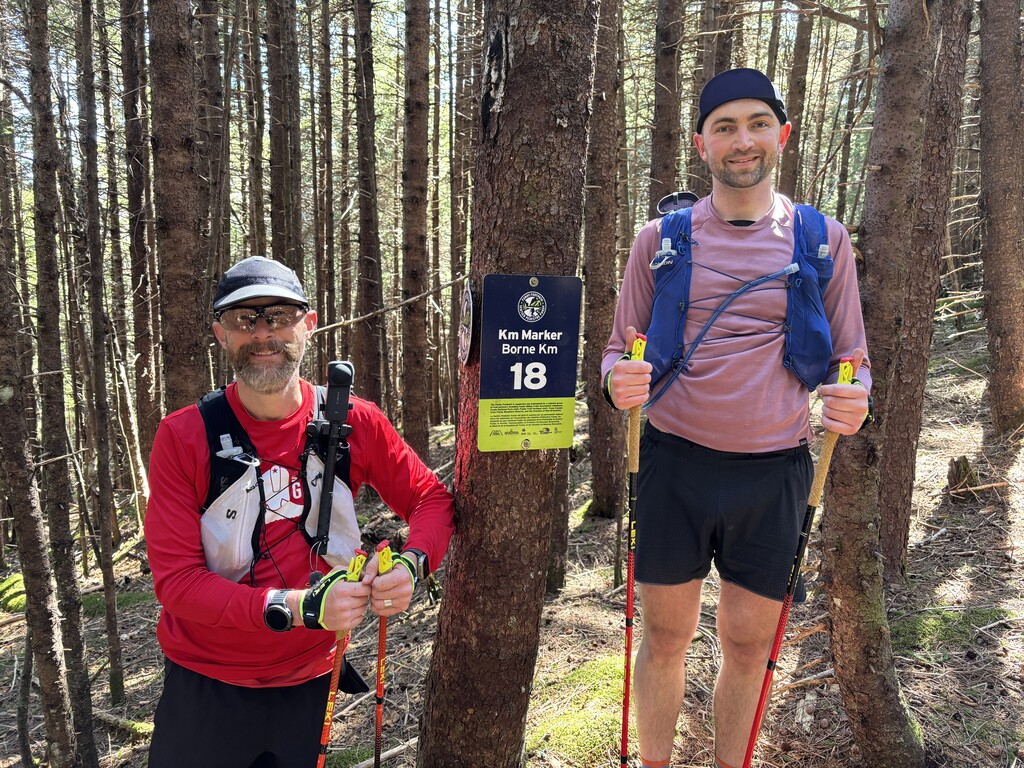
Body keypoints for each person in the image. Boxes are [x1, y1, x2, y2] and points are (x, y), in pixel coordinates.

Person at [602, 68, 873, 768]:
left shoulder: (822, 239)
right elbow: (614, 352)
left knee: (749, 645)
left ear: (781, 135)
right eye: (724, 126)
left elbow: (852, 358)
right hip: (671, 462)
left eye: (757, 123)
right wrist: (615, 384)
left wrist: (855, 397)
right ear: (701, 144)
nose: (742, 140)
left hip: (778, 472)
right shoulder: (657, 241)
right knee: (664, 639)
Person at [145, 256, 455, 768]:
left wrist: (411, 564)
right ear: (221, 334)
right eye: (245, 319)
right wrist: (301, 607)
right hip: (205, 683)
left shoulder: (355, 420)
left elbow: (432, 500)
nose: (263, 334)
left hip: (312, 681)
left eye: (280, 317)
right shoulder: (184, 435)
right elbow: (176, 584)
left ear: (308, 326)